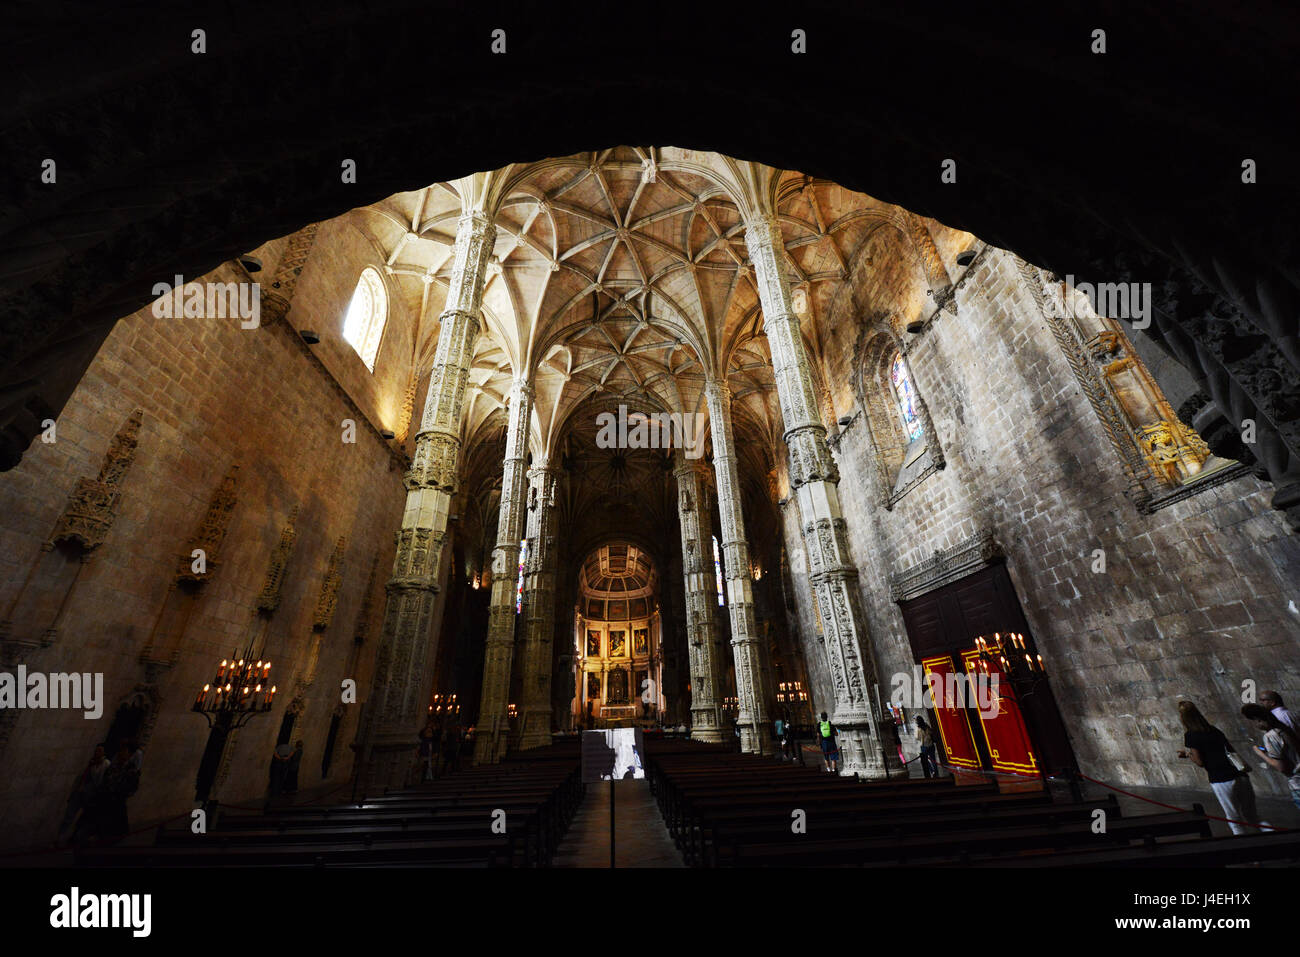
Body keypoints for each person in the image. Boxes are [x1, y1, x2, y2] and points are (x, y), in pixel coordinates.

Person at [1177, 700, 1261, 836]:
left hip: (1221, 779)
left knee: (1234, 818)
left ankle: (1248, 850)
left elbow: (1199, 762)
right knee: (1253, 816)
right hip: (1239, 774)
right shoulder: (1214, 730)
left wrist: (1187, 755)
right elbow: (1231, 750)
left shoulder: (1191, 735)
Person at [1242, 703, 1300, 809]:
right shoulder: (1284, 729)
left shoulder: (1271, 736)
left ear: (1257, 719)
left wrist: (1261, 754)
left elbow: (1282, 768)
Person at [59, 744, 110, 846]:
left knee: (83, 820)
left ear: (104, 753)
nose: (97, 753)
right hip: (80, 792)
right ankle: (60, 838)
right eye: (96, 750)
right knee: (68, 816)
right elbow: (82, 777)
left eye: (99, 751)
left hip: (90, 795)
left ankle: (75, 840)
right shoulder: (91, 761)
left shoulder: (105, 764)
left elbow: (98, 781)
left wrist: (95, 766)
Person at [93, 742, 140, 843]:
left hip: (116, 804)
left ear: (130, 755)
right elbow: (105, 779)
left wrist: (117, 791)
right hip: (105, 801)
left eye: (124, 751)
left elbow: (131, 788)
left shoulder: (131, 770)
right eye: (121, 750)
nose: (121, 753)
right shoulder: (114, 766)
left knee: (111, 834)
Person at [916, 714, 938, 779]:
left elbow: (917, 737)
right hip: (931, 744)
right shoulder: (927, 726)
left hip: (924, 746)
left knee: (925, 760)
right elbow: (931, 732)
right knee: (933, 759)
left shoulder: (919, 729)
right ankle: (936, 772)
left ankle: (931, 771)